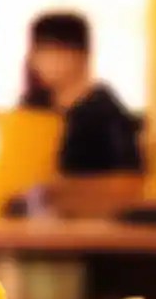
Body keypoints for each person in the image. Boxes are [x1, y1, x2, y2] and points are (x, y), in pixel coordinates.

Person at [27, 12, 144, 217]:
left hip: (92, 227)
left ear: (81, 55)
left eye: (50, 51)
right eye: (37, 52)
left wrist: (59, 188)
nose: (39, 61)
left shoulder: (105, 112)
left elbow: (130, 185)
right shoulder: (39, 109)